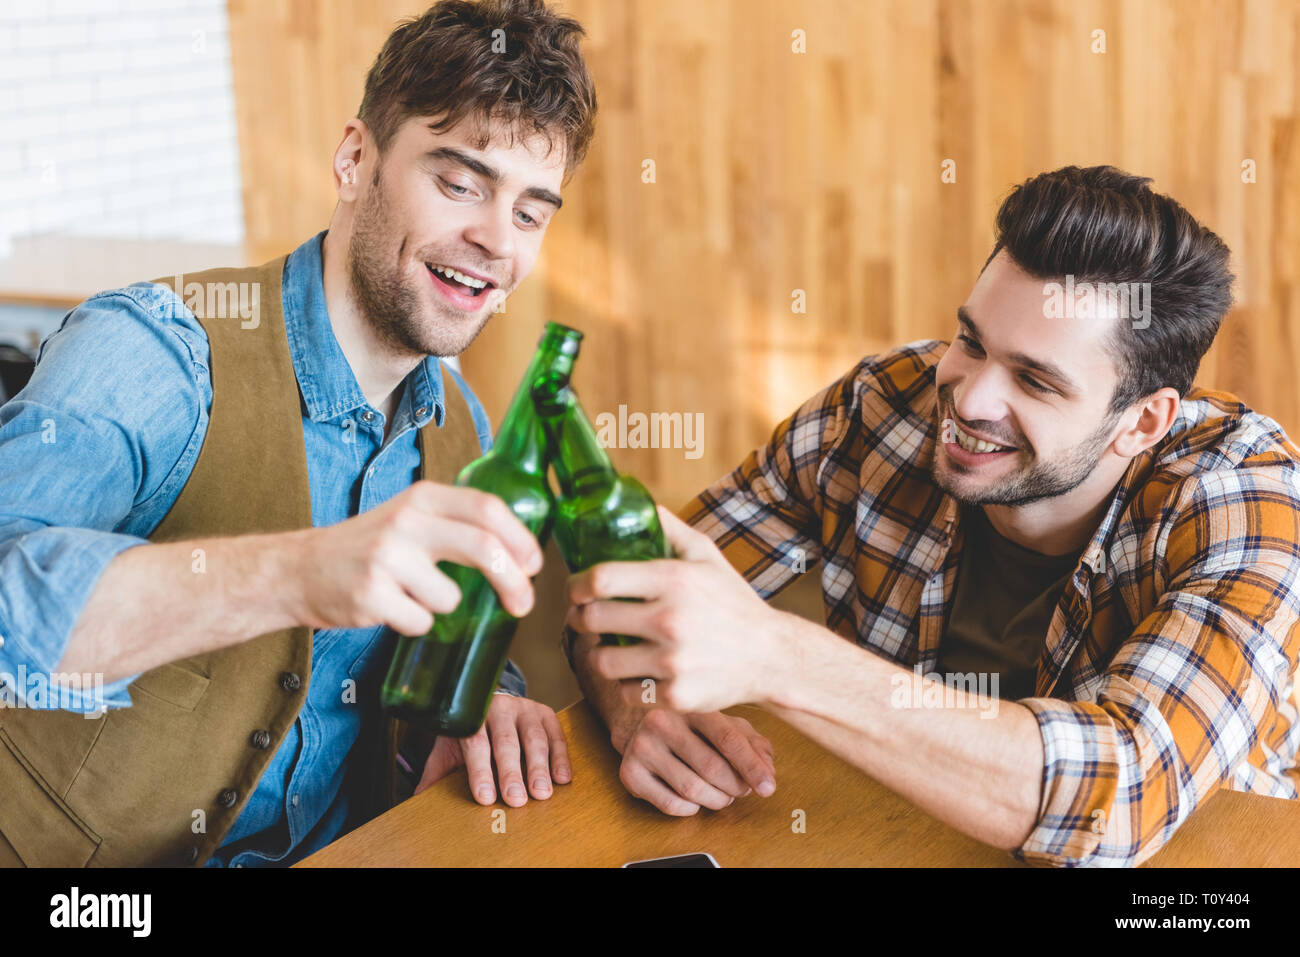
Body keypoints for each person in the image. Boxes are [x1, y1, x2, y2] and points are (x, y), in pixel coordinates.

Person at [0, 0, 597, 868]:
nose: (493, 241)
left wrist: (482, 704)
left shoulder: (462, 426)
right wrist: (297, 573)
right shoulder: (159, 352)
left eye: (531, 211)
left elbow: (450, 647)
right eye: (460, 183)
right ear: (355, 159)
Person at [565, 165, 1300, 866]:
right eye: (972, 341)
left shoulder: (1245, 495)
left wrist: (778, 656)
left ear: (1142, 423)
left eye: (1036, 380)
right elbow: (625, 598)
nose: (970, 400)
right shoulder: (880, 406)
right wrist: (634, 705)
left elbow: (1122, 796)